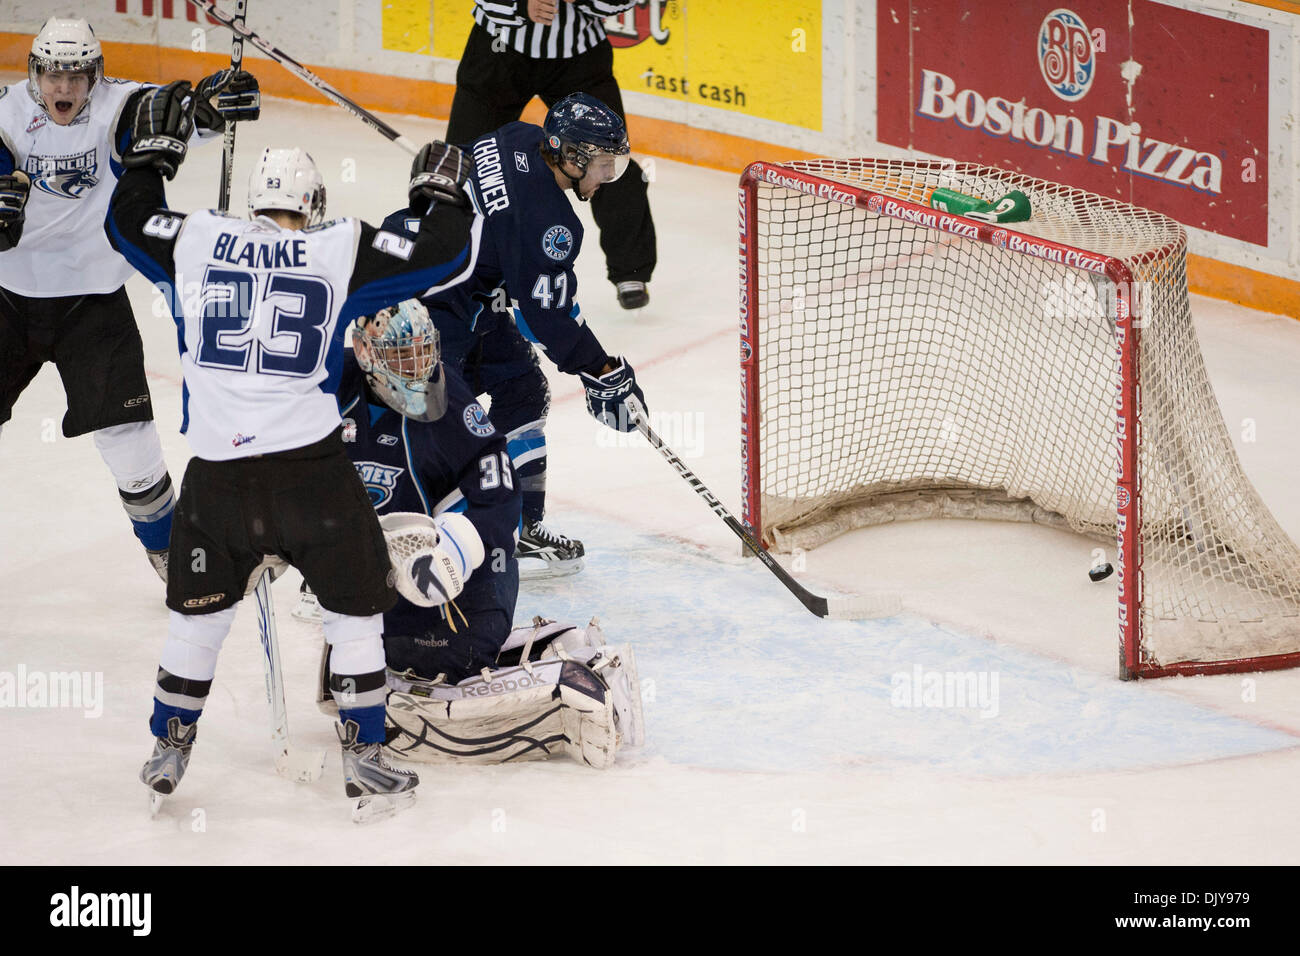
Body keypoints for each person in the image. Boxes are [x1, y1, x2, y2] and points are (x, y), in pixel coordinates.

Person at [104, 79, 482, 821]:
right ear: (311, 209)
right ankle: (365, 756)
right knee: (353, 616)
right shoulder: (336, 250)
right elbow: (446, 255)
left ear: (252, 207)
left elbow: (126, 222)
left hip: (216, 483)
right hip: (312, 479)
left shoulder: (199, 240)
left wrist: (153, 157)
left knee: (197, 621)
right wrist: (441, 192)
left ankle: (169, 747)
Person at [322, 297, 644, 769]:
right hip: (378, 581)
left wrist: (454, 549)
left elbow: (499, 496)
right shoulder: (329, 386)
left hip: (460, 587)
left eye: (423, 352)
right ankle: (551, 650)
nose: (418, 370)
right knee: (355, 677)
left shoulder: (450, 399)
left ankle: (571, 684)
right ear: (366, 353)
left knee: (430, 679)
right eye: (401, 357)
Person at [0, 16, 260, 580]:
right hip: (8, 298)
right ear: (33, 72)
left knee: (130, 440)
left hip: (92, 303)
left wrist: (213, 102)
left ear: (96, 74)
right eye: (52, 75)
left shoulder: (123, 106)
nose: (63, 89)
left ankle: (170, 551)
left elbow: (179, 113)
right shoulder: (6, 111)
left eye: (76, 76)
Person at [382, 92, 649, 578]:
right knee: (428, 435)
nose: (608, 177)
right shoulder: (551, 222)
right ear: (571, 157)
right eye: (603, 165)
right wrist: (602, 370)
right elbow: (545, 318)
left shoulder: (519, 136)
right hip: (425, 311)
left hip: (454, 296)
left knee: (522, 389)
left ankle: (516, 528)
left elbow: (455, 169)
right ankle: (373, 559)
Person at [447, 0, 656, 310]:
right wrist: (518, 4)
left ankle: (631, 270)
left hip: (579, 59)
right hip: (498, 49)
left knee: (605, 155)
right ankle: (447, 256)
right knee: (463, 163)